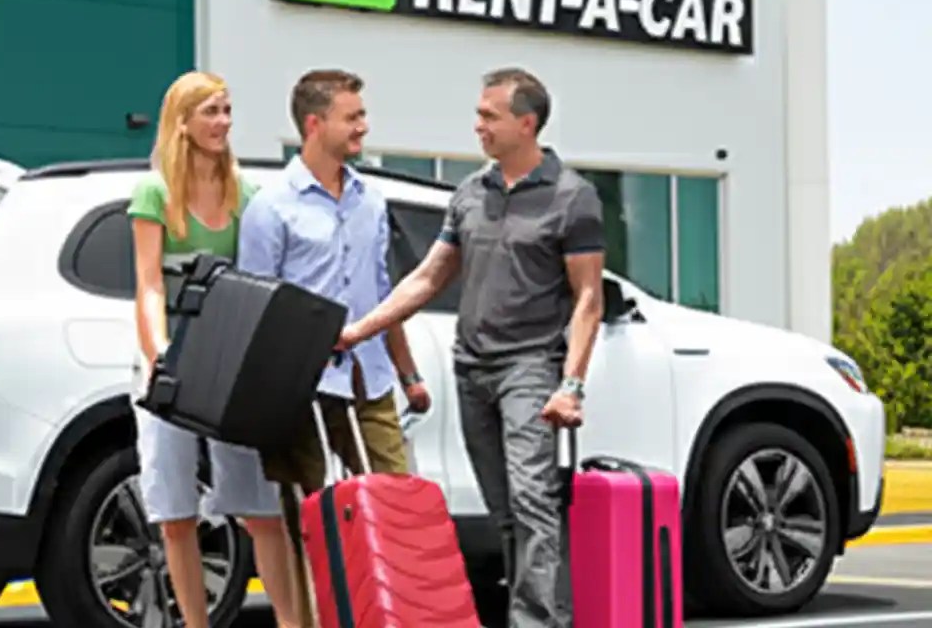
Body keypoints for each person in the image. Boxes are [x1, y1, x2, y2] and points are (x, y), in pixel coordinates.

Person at [335, 67, 605, 628]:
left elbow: (589, 300)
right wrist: (359, 330)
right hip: (471, 366)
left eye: (489, 115)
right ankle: (538, 615)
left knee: (534, 501)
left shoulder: (572, 197)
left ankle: (537, 623)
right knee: (506, 511)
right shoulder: (469, 194)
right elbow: (429, 277)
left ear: (526, 123)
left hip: (530, 366)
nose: (477, 124)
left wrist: (571, 385)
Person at [236, 68, 430, 625]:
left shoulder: (371, 201)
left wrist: (409, 374)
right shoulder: (271, 208)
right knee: (310, 519)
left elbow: (381, 296)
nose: (364, 128)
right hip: (302, 388)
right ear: (316, 124)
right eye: (354, 117)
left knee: (395, 502)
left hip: (368, 377)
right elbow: (256, 306)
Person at [128, 71, 300, 628]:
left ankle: (294, 621)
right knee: (175, 512)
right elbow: (149, 283)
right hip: (172, 357)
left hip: (228, 360)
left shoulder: (245, 193)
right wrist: (158, 358)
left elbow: (260, 278)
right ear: (183, 121)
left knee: (261, 508)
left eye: (227, 111)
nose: (223, 122)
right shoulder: (154, 193)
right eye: (211, 112)